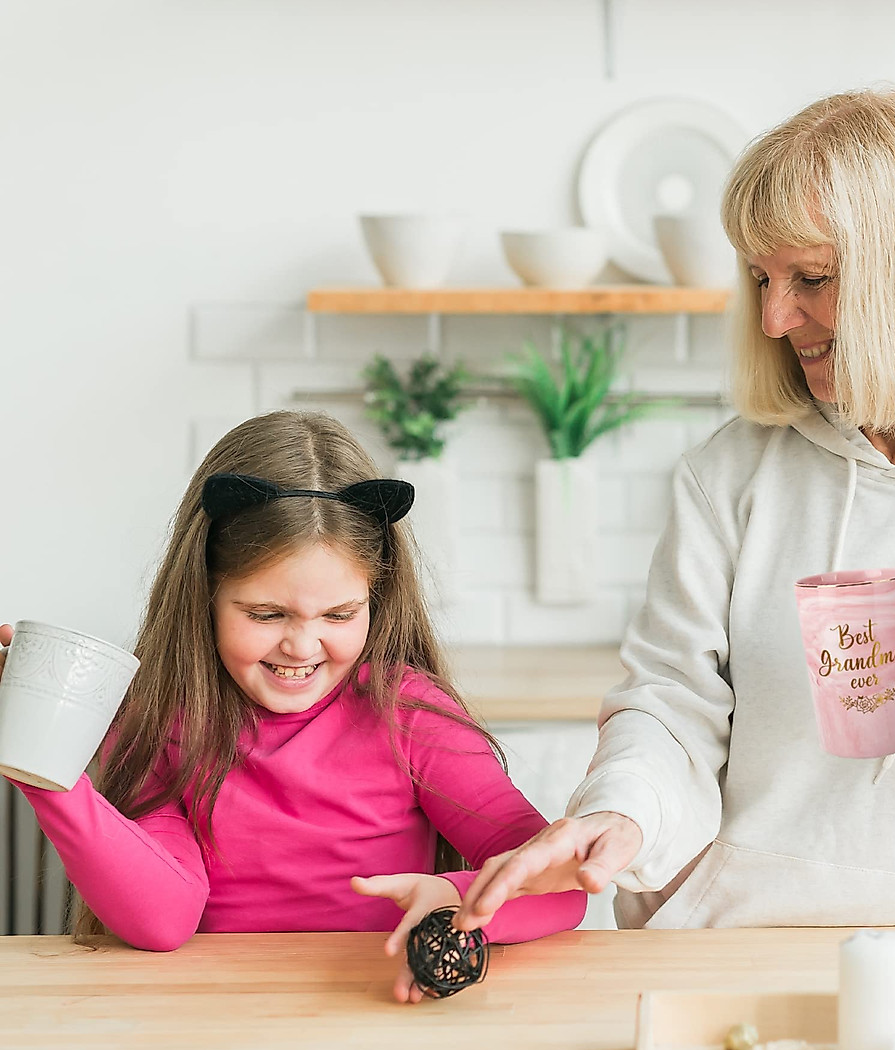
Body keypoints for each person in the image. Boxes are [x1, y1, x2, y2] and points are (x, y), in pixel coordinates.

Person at [454, 87, 895, 933]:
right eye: (761, 278)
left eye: (813, 277)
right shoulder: (732, 470)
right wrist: (623, 814)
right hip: (732, 935)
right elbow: (671, 703)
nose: (773, 317)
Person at [0, 411, 585, 1001]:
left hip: (379, 1018)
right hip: (217, 1022)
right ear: (205, 592)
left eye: (338, 616)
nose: (302, 647)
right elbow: (163, 920)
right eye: (266, 614)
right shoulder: (166, 721)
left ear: (375, 599)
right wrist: (47, 771)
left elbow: (564, 888)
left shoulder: (409, 714)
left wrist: (457, 897)